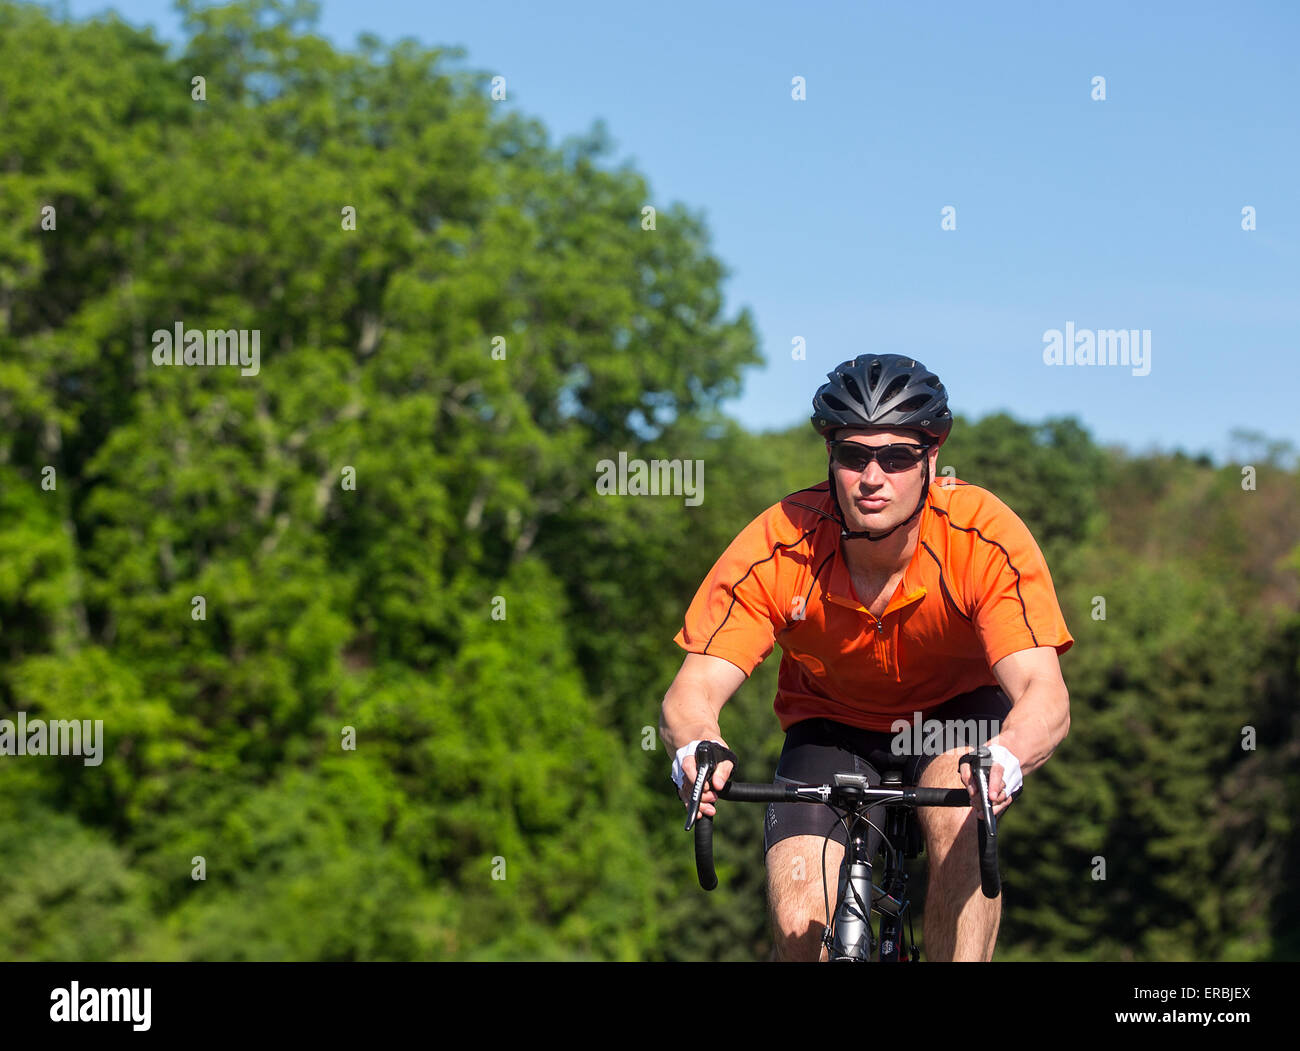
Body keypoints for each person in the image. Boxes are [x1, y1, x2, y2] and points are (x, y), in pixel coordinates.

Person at [659, 354, 1073, 961]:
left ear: (933, 455)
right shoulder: (781, 543)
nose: (871, 477)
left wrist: (1006, 758)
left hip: (953, 723)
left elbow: (1043, 691)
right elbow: (691, 693)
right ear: (830, 456)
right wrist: (697, 744)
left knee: (961, 816)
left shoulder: (983, 538)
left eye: (897, 457)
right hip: (830, 727)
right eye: (853, 455)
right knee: (800, 920)